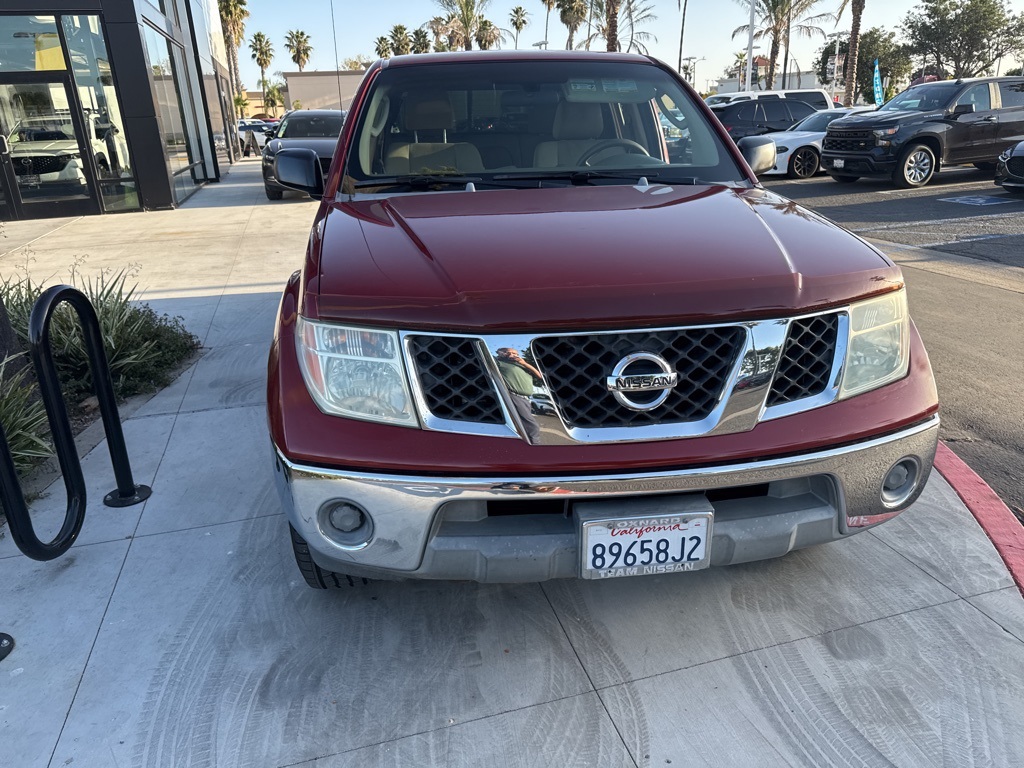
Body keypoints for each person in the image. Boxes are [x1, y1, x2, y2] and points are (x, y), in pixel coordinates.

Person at [495, 347, 543, 442]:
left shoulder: (521, 366)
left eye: (516, 353)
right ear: (502, 353)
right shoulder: (500, 364)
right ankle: (534, 446)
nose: (514, 355)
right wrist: (500, 355)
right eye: (510, 353)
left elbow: (540, 376)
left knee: (523, 424)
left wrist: (524, 363)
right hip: (514, 396)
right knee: (532, 426)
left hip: (526, 399)